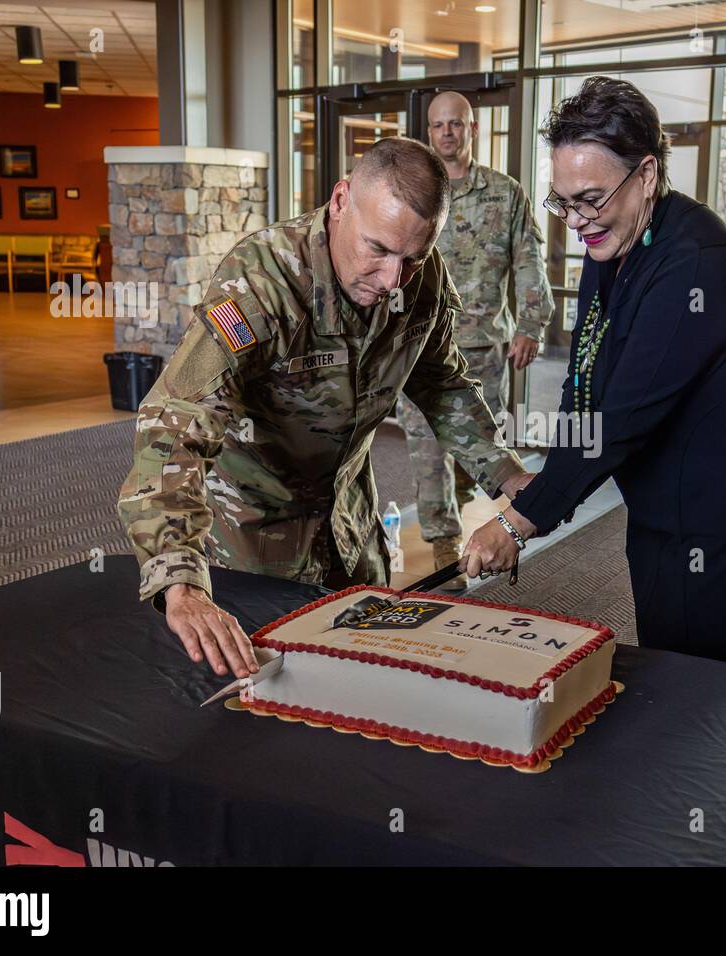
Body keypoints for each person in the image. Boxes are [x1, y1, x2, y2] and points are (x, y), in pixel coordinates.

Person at [459, 76, 726, 674]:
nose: (576, 221)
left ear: (648, 177)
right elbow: (585, 376)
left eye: (591, 199)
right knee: (672, 647)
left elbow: (619, 420)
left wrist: (517, 522)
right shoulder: (612, 242)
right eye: (563, 202)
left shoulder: (694, 263)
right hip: (669, 491)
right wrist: (546, 479)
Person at [117, 137, 528, 680]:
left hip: (350, 521)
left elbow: (442, 382)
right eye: (377, 249)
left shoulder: (419, 279)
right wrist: (179, 578)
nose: (392, 281)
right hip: (253, 535)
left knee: (367, 675)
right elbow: (176, 423)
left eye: (413, 257)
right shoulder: (261, 282)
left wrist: (503, 472)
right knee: (266, 696)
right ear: (340, 202)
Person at [396, 91, 554, 592]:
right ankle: (444, 550)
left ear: (473, 129)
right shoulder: (417, 196)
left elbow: (529, 259)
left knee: (477, 447)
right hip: (422, 349)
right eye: (438, 125)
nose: (447, 133)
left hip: (484, 348)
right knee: (426, 452)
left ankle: (467, 509)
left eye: (456, 124)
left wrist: (531, 323)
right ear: (429, 131)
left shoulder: (505, 193)